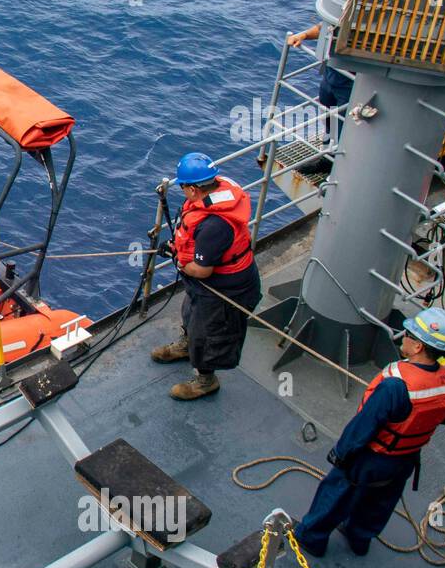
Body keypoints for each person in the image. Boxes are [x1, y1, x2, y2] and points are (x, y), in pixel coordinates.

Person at [296, 307, 445, 558]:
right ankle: (359, 539)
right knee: (380, 502)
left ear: (418, 347)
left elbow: (365, 425)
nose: (403, 336)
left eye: (409, 334)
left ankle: (312, 538)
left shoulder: (396, 385)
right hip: (406, 459)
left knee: (337, 493)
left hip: (372, 456)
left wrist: (341, 454)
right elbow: (441, 417)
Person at [151, 152, 262, 400]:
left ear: (192, 189)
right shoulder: (212, 197)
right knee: (190, 312)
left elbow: (202, 270)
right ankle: (186, 344)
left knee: (210, 333)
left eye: (182, 186)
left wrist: (179, 261)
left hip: (225, 288)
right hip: (205, 285)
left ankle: (206, 379)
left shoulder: (215, 226)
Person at [287, 23, 352, 150]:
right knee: (327, 112)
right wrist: (304, 35)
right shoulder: (346, 13)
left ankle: (333, 155)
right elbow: (324, 27)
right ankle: (327, 143)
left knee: (341, 122)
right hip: (331, 73)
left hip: (349, 82)